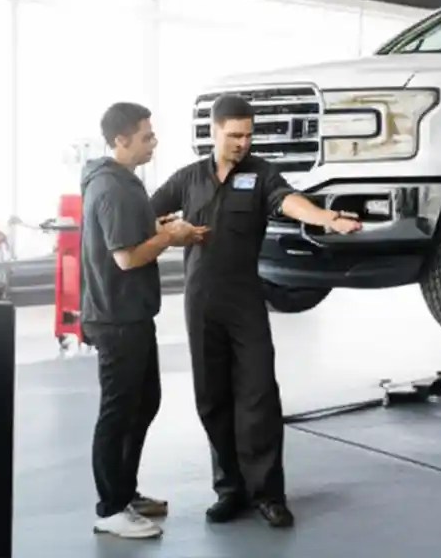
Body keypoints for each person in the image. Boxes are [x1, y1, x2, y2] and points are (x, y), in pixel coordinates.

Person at [150, 94, 361, 529]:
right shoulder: (188, 179)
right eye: (234, 135)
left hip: (245, 300)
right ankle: (230, 490)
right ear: (214, 132)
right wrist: (170, 233)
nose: (243, 143)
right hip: (200, 303)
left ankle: (268, 493)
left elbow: (288, 200)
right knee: (212, 397)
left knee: (259, 394)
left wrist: (323, 217)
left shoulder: (261, 174)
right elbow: (143, 214)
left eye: (248, 135)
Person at [80, 102, 208, 540]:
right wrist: (170, 237)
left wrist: (157, 225)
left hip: (133, 314)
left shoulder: (123, 183)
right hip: (117, 318)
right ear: (121, 140)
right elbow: (128, 257)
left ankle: (125, 490)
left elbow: (131, 234)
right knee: (118, 412)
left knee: (144, 402)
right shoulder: (112, 188)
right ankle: (110, 507)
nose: (153, 143)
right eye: (146, 136)